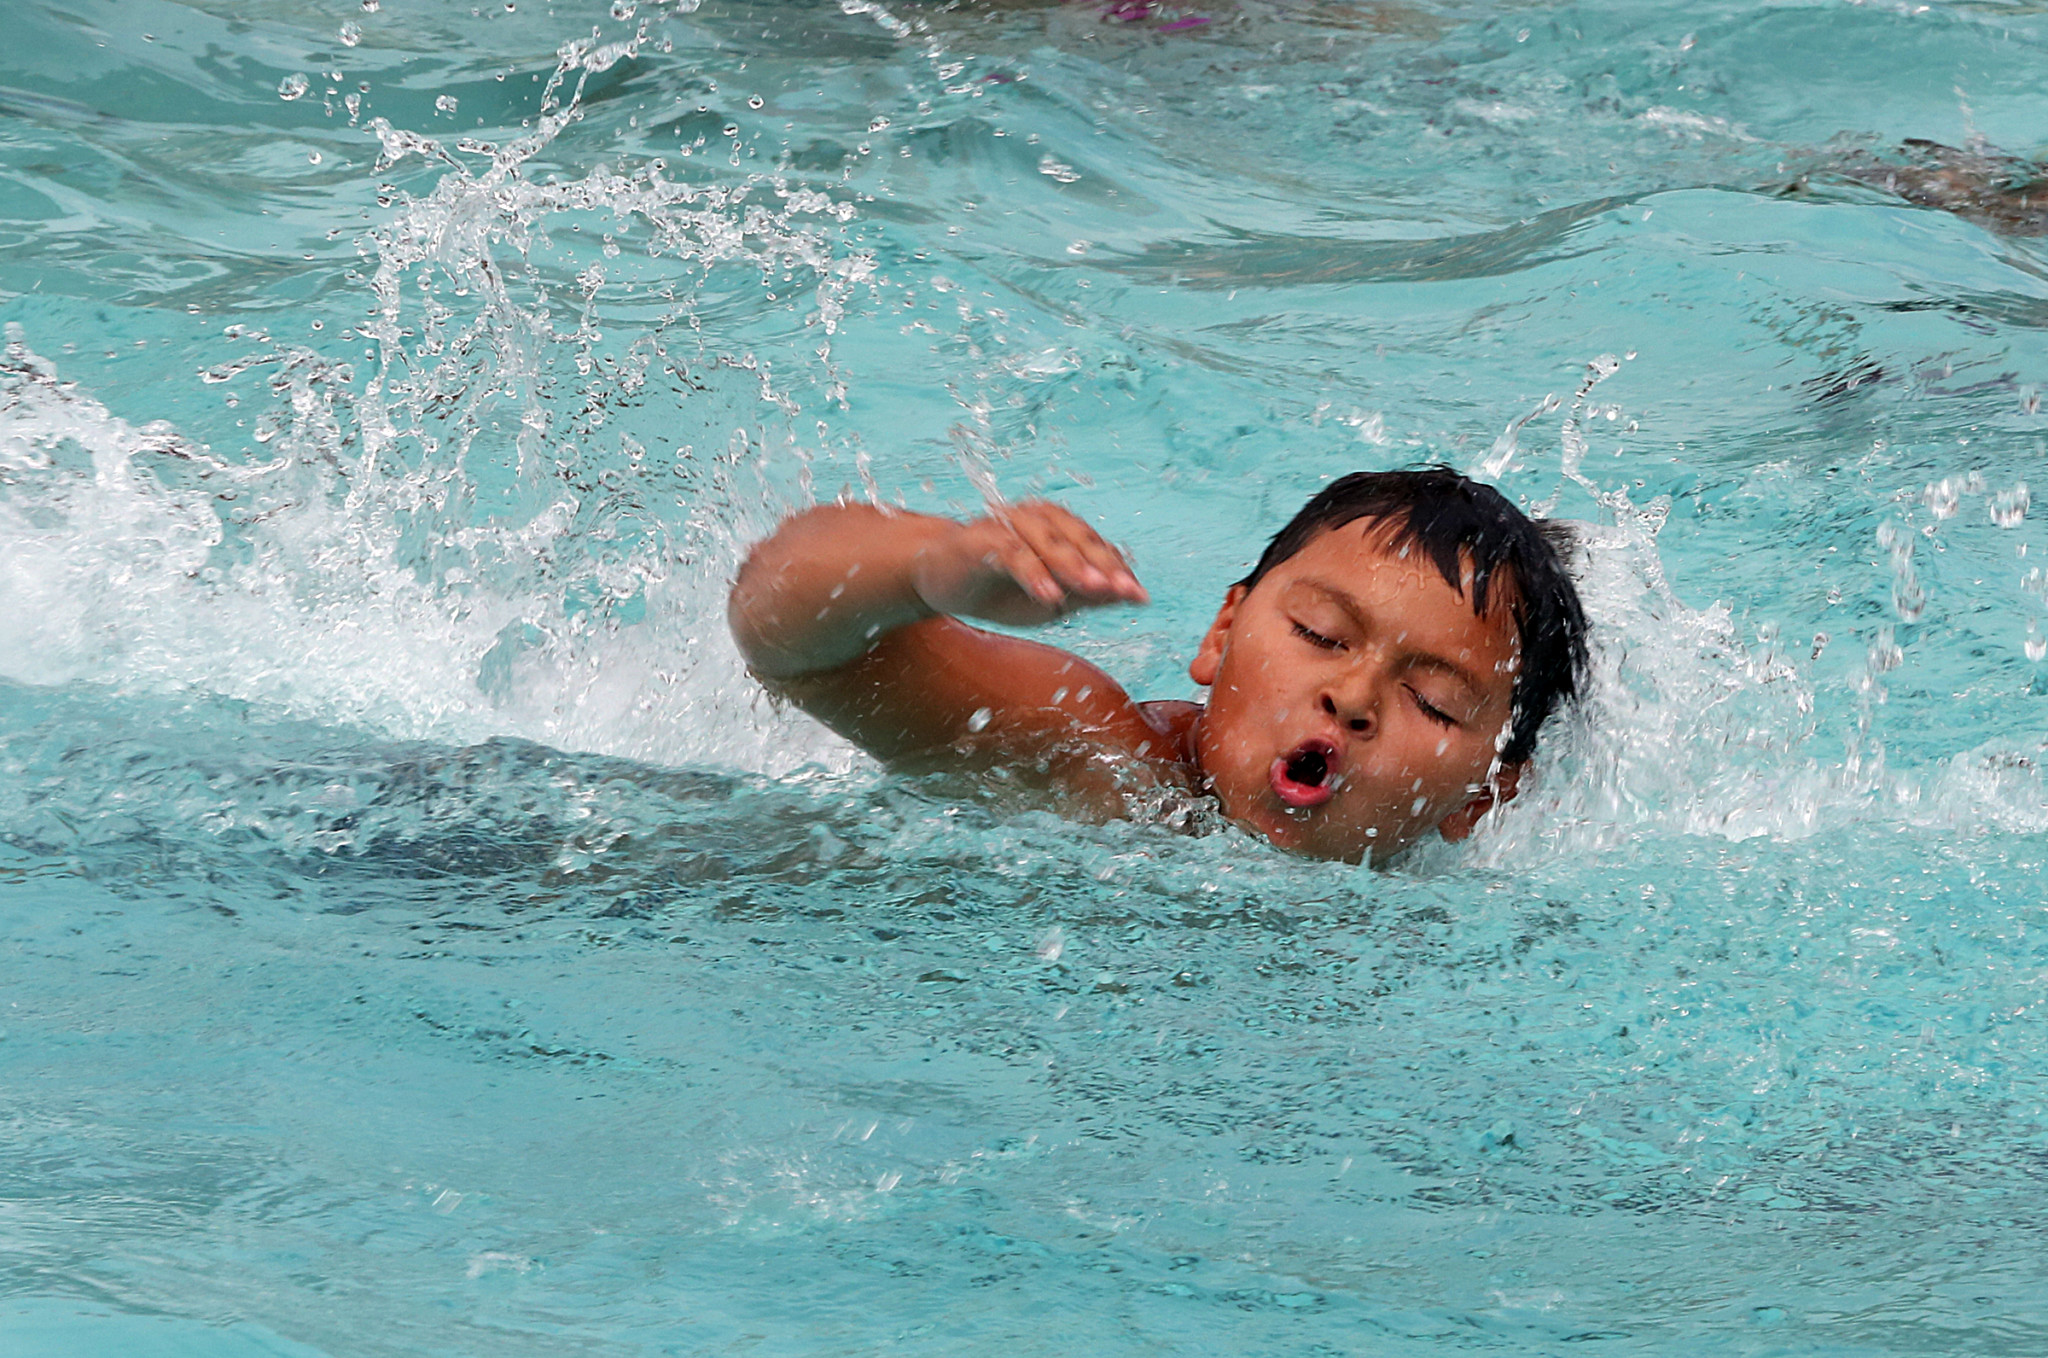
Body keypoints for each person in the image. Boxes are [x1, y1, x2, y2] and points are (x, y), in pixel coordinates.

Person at [727, 467, 1588, 862]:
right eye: (1322, 635)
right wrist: (935, 566)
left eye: (1433, 701)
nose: (1352, 697)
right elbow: (782, 632)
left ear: (1482, 796)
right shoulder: (1094, 761)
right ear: (1221, 635)